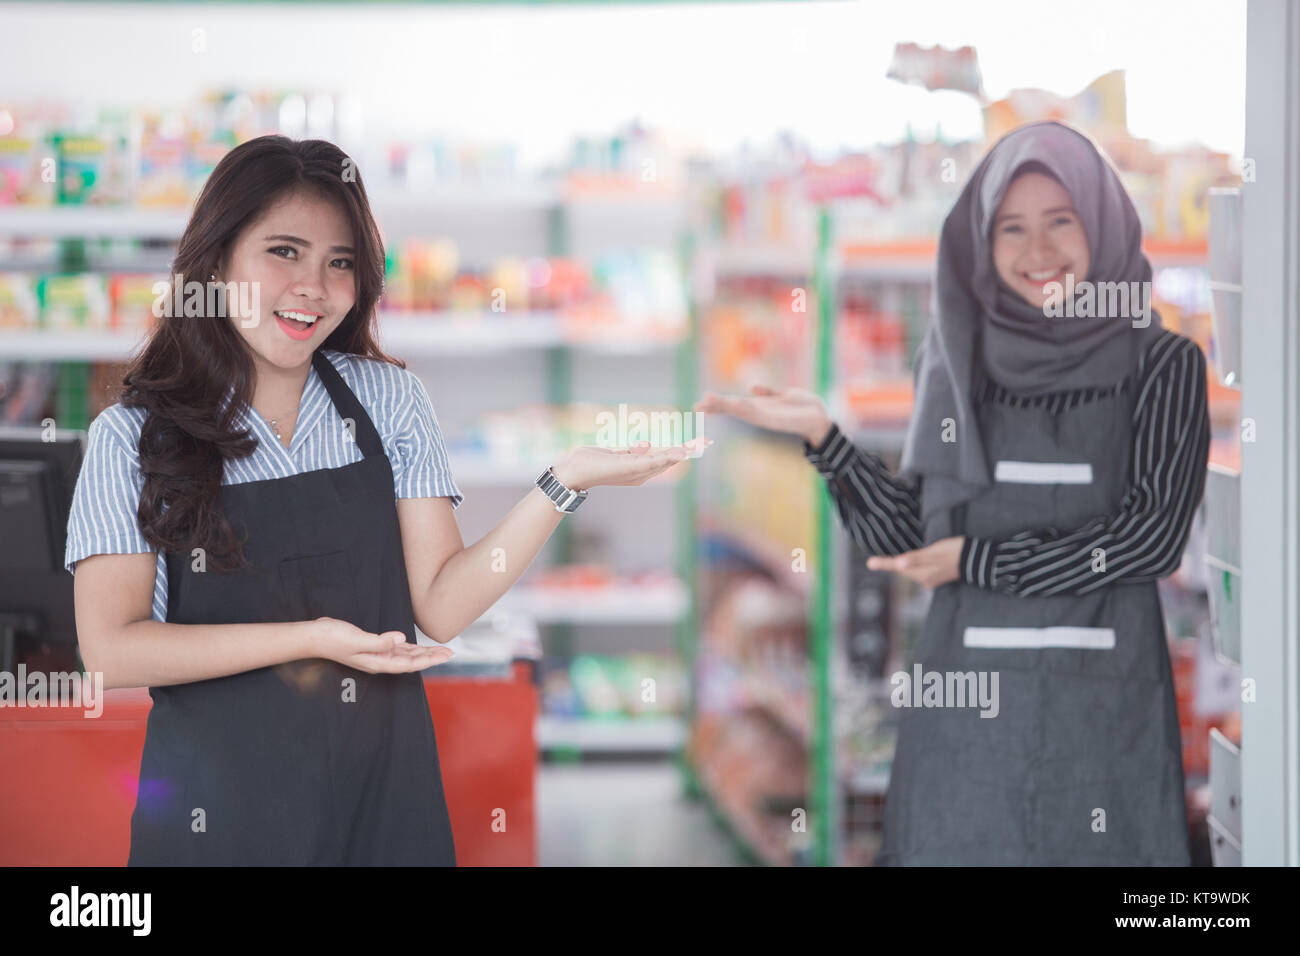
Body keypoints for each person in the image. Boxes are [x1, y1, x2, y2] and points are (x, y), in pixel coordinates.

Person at [65, 135, 707, 866]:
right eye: (284, 252)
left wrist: (566, 483)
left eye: (339, 262)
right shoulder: (132, 438)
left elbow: (440, 602)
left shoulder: (388, 400)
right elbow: (111, 650)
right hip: (218, 818)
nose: (313, 285)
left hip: (382, 806)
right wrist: (309, 639)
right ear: (216, 261)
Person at [696, 121, 1209, 865]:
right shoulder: (958, 359)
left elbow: (1149, 538)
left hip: (1102, 707)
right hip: (968, 716)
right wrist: (828, 443)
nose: (1038, 251)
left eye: (1060, 221)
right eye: (1012, 228)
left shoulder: (1163, 365)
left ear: (1101, 222)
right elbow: (913, 530)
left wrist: (978, 563)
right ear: (983, 242)